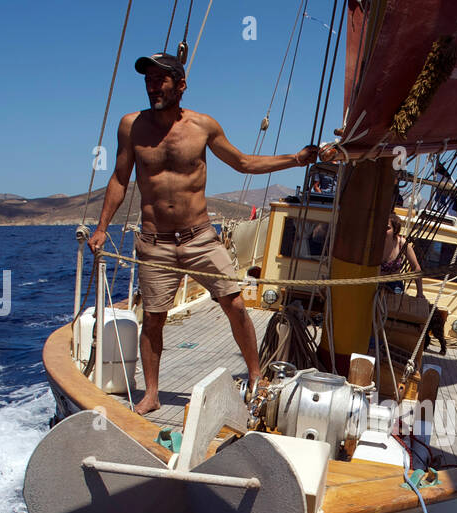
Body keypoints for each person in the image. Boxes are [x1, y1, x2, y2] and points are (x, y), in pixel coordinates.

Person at [88, 52, 335, 413]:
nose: (152, 85)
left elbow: (244, 163)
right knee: (153, 318)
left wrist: (296, 160)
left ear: (181, 85)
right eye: (148, 79)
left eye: (161, 79)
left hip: (200, 238)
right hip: (155, 242)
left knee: (234, 304)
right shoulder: (131, 126)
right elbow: (119, 179)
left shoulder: (203, 126)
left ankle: (254, 377)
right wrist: (101, 228)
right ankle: (152, 394)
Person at [380, 215, 446, 355]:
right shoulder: (375, 242)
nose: (383, 230)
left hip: (394, 286)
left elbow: (416, 268)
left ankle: (391, 341)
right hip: (376, 283)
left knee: (395, 313)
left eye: (387, 228)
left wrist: (420, 293)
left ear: (395, 230)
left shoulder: (402, 244)